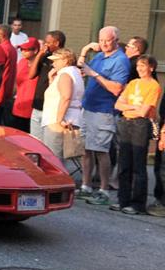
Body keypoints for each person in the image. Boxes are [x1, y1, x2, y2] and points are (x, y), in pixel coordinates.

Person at [77, 26, 130, 205]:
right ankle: (86, 185)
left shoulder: (121, 60)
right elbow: (81, 68)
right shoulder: (99, 56)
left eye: (107, 40)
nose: (104, 44)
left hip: (104, 110)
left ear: (116, 40)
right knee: (85, 149)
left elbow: (116, 88)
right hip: (88, 106)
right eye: (101, 40)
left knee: (101, 150)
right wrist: (85, 50)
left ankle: (104, 189)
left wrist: (94, 74)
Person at [112, 55, 160, 215]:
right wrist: (133, 107)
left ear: (151, 68)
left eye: (143, 65)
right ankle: (122, 200)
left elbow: (144, 111)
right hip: (126, 122)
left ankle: (138, 204)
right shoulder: (133, 83)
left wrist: (128, 107)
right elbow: (118, 104)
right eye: (138, 65)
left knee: (138, 165)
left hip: (141, 124)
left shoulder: (154, 86)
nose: (139, 68)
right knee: (124, 163)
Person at [42, 48, 84, 182]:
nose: (53, 64)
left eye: (56, 61)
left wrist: (59, 119)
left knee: (54, 157)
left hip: (58, 120)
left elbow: (66, 97)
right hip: (67, 117)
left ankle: (56, 185)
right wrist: (51, 79)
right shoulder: (73, 73)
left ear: (65, 60)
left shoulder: (65, 74)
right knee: (57, 157)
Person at [29, 30, 66, 140]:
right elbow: (31, 75)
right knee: (35, 141)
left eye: (48, 42)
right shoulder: (45, 56)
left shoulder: (64, 60)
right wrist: (40, 54)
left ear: (57, 43)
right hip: (38, 104)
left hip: (51, 108)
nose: (46, 45)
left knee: (48, 143)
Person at [10, 38, 40, 132]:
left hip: (33, 110)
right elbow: (16, 82)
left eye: (26, 50)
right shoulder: (22, 62)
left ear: (35, 50)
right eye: (21, 49)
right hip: (18, 105)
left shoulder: (42, 65)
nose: (23, 52)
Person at [0, 24, 18, 126]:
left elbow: (0, 73)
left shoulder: (2, 49)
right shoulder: (12, 49)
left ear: (2, 35)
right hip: (7, 91)